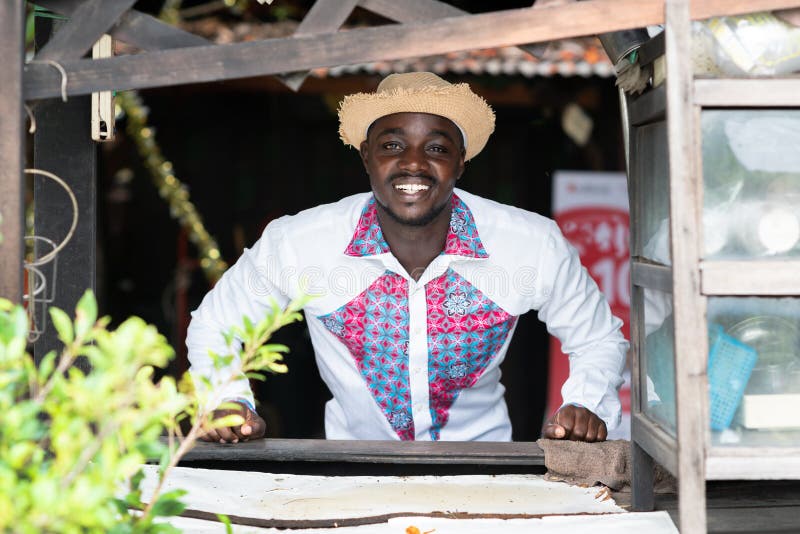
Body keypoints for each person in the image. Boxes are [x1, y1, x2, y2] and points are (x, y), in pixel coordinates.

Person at [187, 72, 627, 444]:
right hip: (351, 474)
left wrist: (585, 403)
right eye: (392, 146)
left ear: (461, 163)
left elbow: (598, 339)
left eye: (436, 148)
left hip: (485, 473)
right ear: (366, 156)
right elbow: (216, 323)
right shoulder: (300, 242)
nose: (413, 164)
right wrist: (229, 400)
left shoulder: (530, 244)